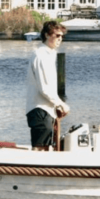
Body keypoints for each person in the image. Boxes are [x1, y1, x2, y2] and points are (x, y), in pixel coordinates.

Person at [26, 20, 70, 150]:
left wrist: (56, 105)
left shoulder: (50, 54)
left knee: (46, 148)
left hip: (47, 110)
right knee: (40, 149)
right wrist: (61, 104)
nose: (60, 39)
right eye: (57, 35)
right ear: (46, 35)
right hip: (39, 109)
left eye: (62, 36)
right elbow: (44, 88)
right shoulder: (41, 55)